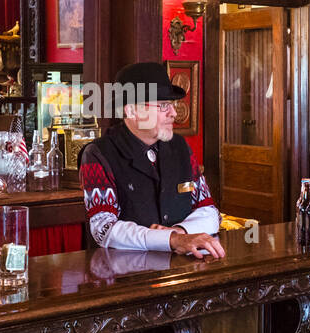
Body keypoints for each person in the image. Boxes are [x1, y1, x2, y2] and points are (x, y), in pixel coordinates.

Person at [79, 62, 225, 259]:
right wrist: (170, 240)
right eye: (163, 105)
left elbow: (210, 212)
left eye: (172, 105)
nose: (173, 113)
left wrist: (180, 233)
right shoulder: (98, 154)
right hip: (124, 276)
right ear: (131, 111)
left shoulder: (180, 147)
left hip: (182, 268)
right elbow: (104, 229)